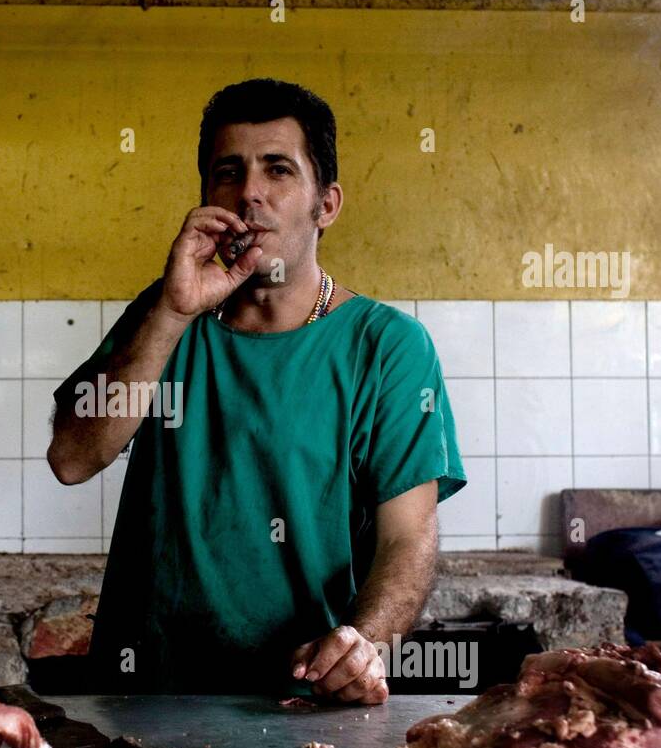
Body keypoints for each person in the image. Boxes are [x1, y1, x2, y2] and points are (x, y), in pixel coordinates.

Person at [48, 78, 466, 702]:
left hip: (304, 704)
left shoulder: (388, 347)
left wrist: (364, 642)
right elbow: (74, 456)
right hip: (146, 699)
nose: (250, 192)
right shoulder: (165, 317)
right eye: (228, 173)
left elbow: (408, 536)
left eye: (278, 170)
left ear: (325, 205)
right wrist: (171, 311)